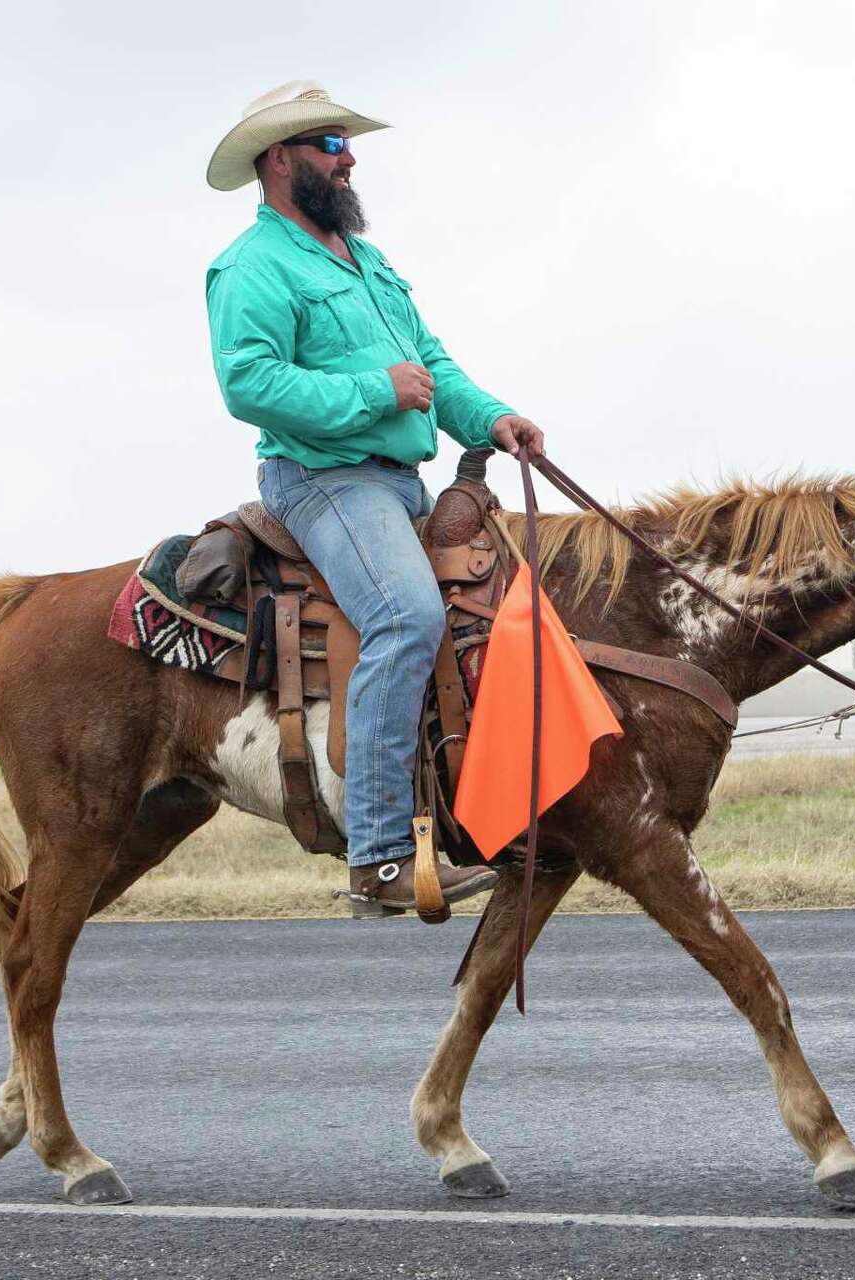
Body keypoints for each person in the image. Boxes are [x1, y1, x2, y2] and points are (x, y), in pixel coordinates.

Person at [204, 81, 546, 916]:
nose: (349, 156)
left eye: (346, 143)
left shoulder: (370, 263)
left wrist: (493, 417)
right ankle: (382, 854)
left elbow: (431, 366)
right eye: (330, 142)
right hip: (323, 479)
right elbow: (247, 383)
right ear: (280, 159)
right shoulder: (252, 266)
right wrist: (374, 392)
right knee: (406, 618)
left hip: (399, 481)